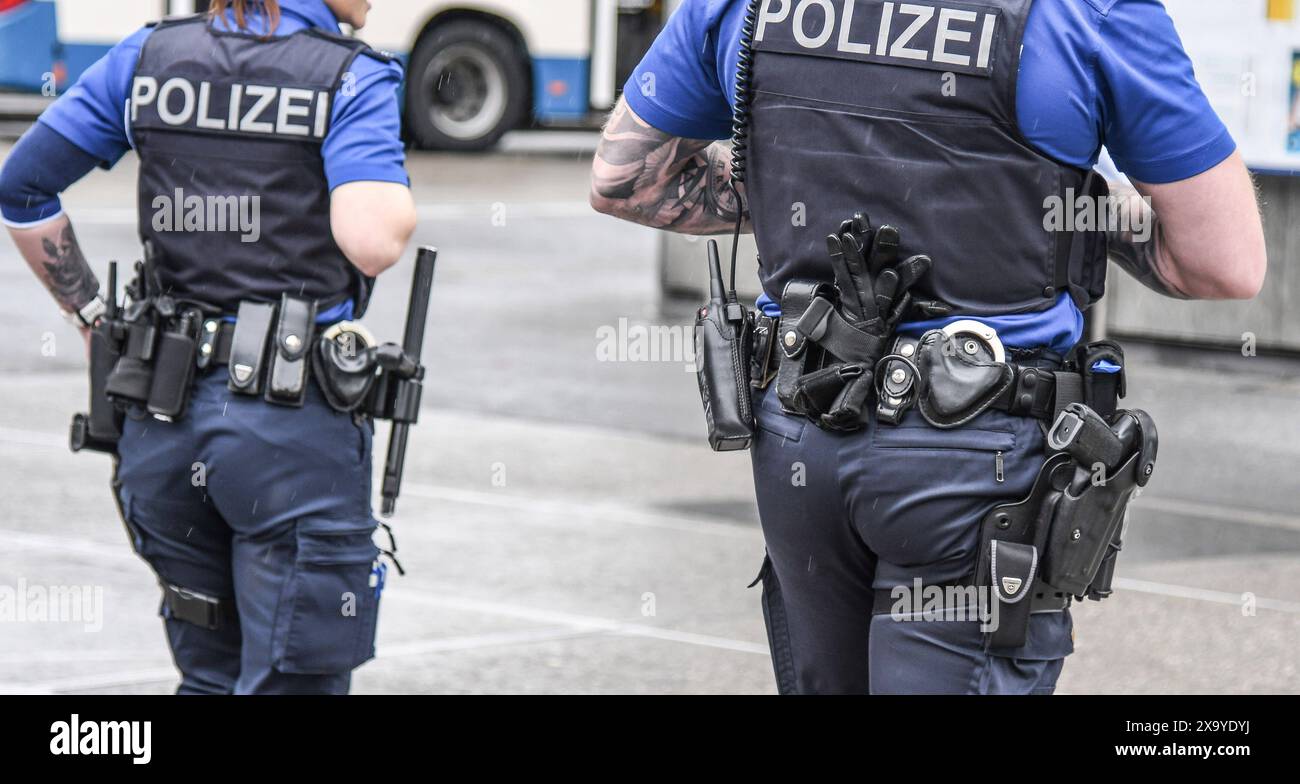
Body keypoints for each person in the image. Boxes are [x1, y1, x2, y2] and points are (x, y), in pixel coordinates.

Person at [591, 0, 1266, 694]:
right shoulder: (1091, 12)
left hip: (799, 430)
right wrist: (1072, 207)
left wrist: (796, 192)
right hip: (977, 460)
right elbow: (1223, 260)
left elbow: (624, 179)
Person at [0, 0, 417, 694]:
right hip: (287, 440)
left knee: (209, 677)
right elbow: (372, 241)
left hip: (161, 425)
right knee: (290, 682)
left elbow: (21, 188)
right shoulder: (350, 77)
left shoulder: (147, 56)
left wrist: (92, 319)